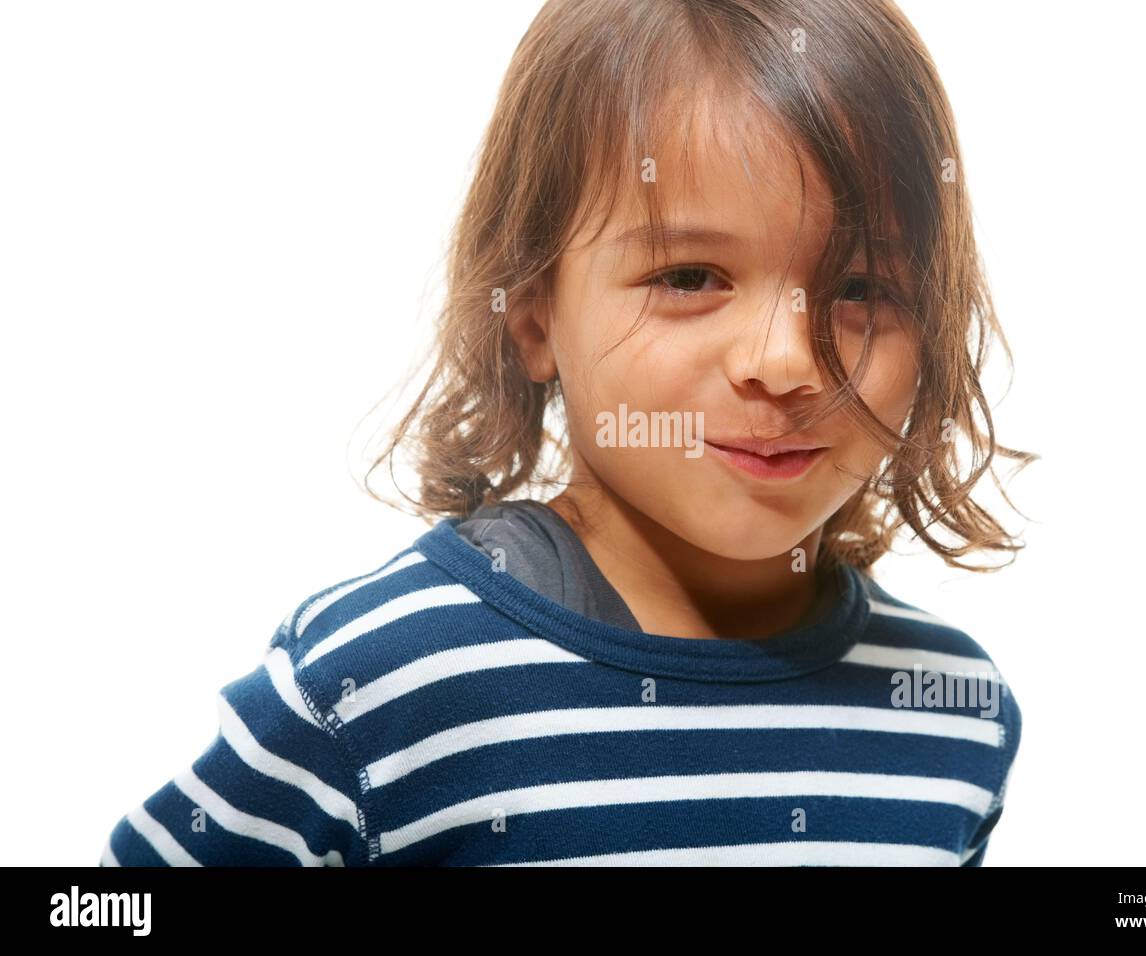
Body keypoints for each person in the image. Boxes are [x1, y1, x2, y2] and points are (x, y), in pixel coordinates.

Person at [102, 0, 1034, 867]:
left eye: (861, 291)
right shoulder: (380, 679)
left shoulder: (954, 711)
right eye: (691, 276)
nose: (786, 360)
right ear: (536, 313)